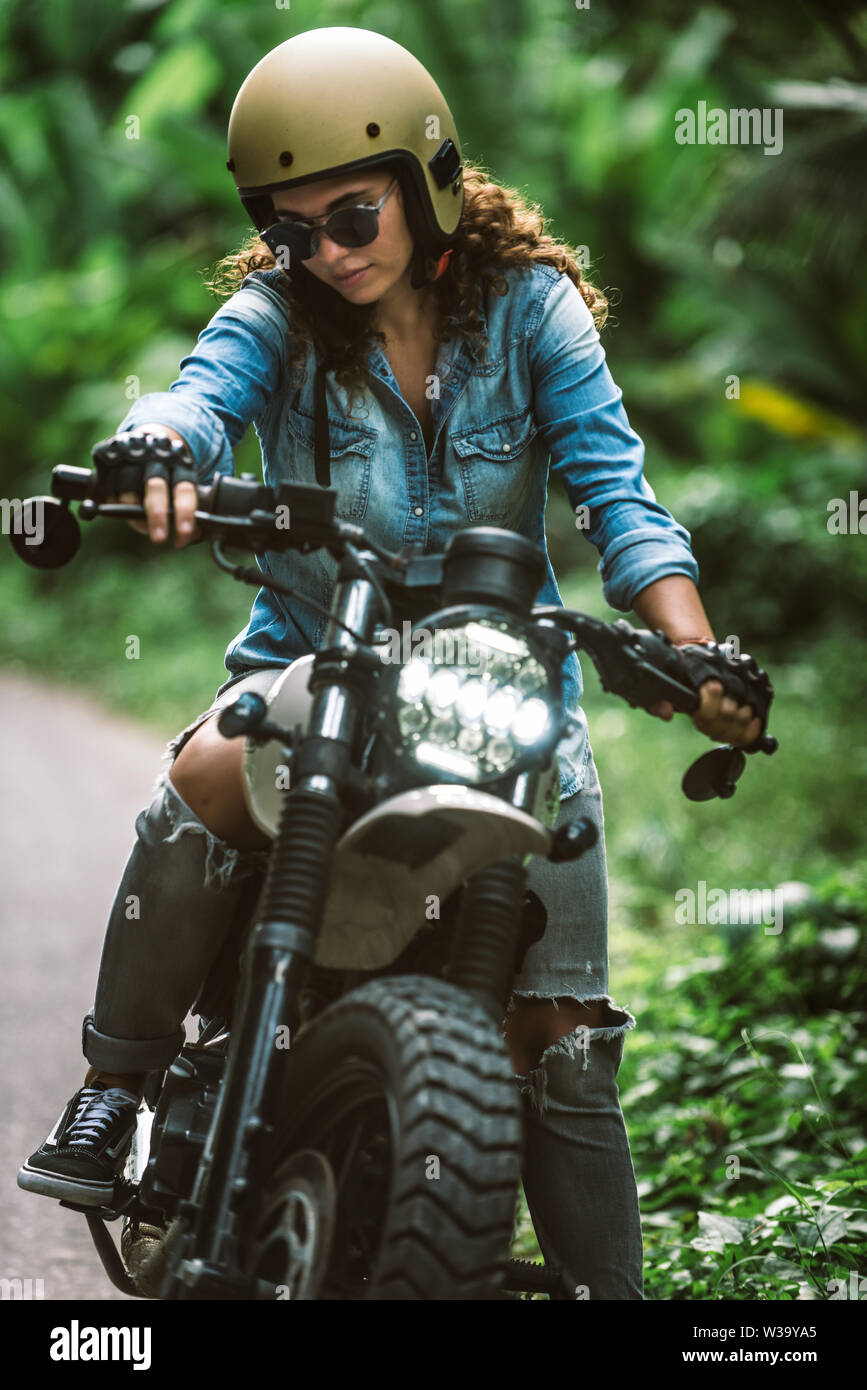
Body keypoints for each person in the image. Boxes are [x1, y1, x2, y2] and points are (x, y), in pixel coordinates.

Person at [18, 27, 762, 1300]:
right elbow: (195, 397)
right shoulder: (273, 317)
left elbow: (620, 502)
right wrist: (157, 454)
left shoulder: (533, 314)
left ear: (427, 183)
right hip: (325, 659)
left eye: (354, 212)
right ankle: (119, 1080)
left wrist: (694, 653)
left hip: (506, 680)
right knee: (203, 777)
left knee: (566, 1044)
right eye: (294, 227)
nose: (330, 247)